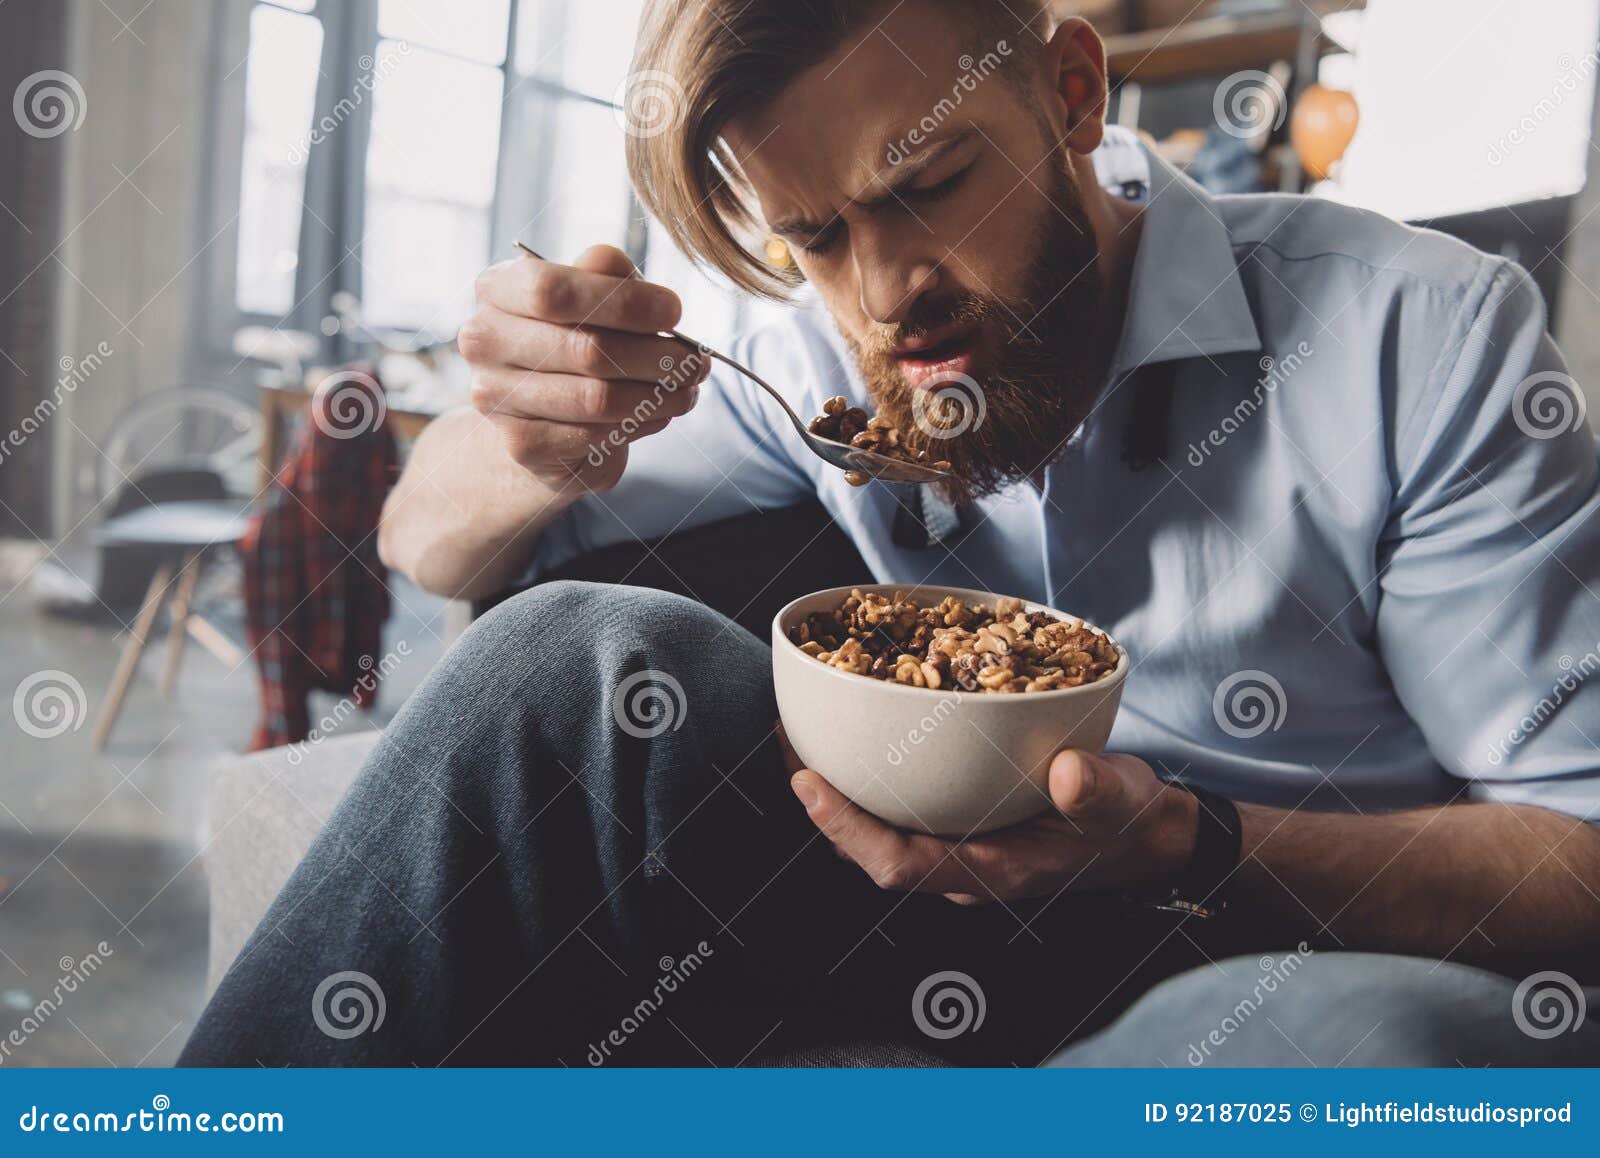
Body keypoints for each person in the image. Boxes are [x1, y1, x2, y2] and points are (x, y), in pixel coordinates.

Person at [182, 0, 1600, 1066]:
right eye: (813, 232)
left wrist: (1185, 838)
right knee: (571, 660)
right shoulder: (810, 352)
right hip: (935, 907)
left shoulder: (1424, 335)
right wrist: (549, 427)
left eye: (929, 187)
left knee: (1328, 1047)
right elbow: (429, 542)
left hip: (1285, 929)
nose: (884, 294)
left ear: (1070, 89)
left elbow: (1583, 855)